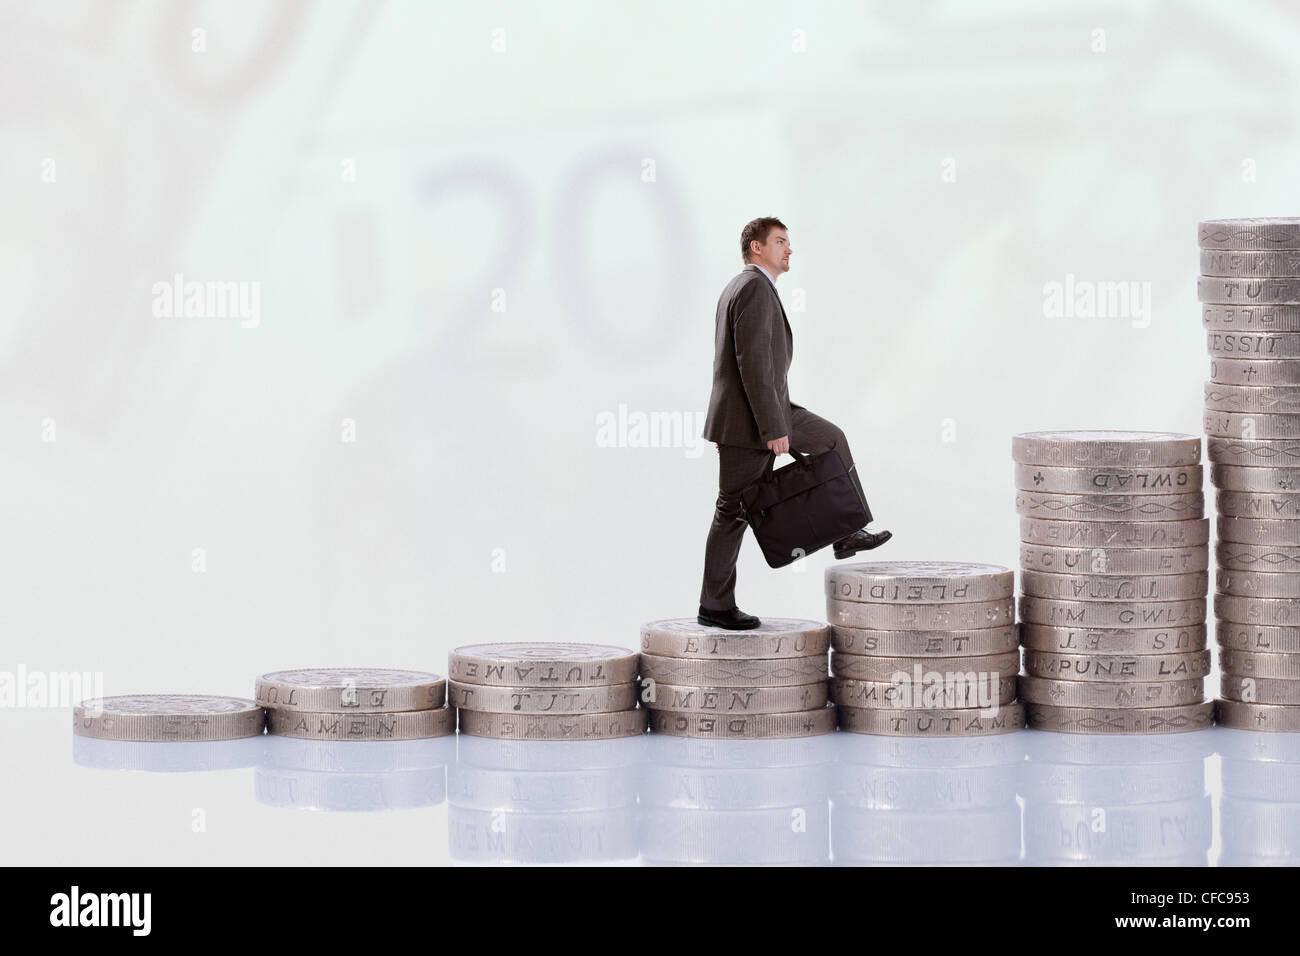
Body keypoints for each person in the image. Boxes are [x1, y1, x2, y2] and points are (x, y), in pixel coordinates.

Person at [697, 217, 891, 630]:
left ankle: (847, 532)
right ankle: (714, 606)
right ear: (756, 247)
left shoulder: (751, 287)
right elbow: (752, 365)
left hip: (764, 413)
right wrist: (772, 430)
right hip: (752, 423)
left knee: (831, 440)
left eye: (789, 242)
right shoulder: (751, 287)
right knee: (731, 512)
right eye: (780, 241)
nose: (789, 249)